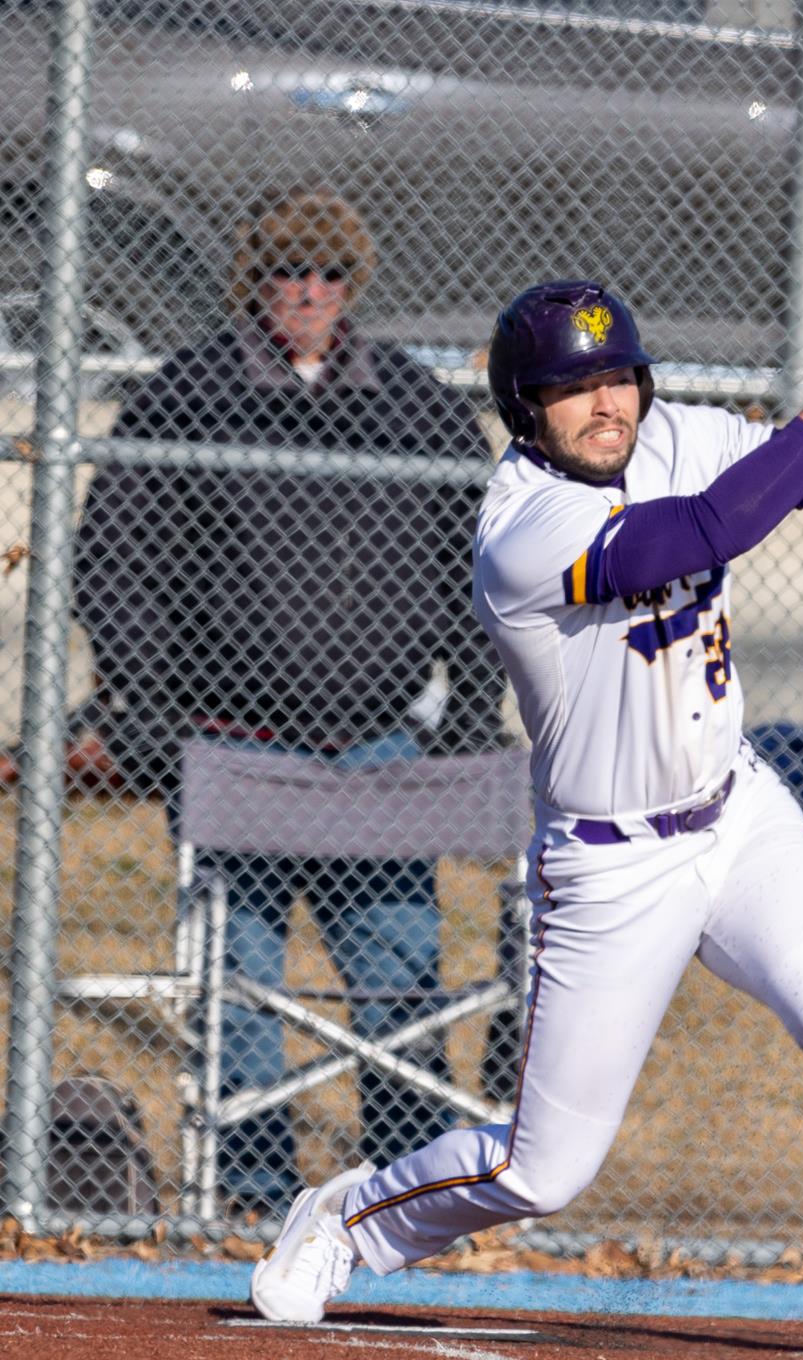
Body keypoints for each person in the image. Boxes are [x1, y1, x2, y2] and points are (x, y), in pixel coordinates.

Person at [247, 279, 803, 1354]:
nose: (602, 404)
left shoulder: (670, 435)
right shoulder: (523, 529)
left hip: (737, 817)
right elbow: (715, 526)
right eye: (568, 388)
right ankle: (343, 1220)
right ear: (525, 409)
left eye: (615, 377)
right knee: (543, 1171)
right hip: (608, 865)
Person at [74, 187, 507, 1214]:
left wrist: (474, 699)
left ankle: (408, 1194)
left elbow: (481, 563)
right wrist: (147, 694)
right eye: (283, 273)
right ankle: (256, 1191)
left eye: (326, 275)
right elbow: (114, 562)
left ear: (351, 287)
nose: (305, 294)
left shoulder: (412, 405)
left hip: (375, 750)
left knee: (400, 975)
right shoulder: (189, 395)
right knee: (236, 988)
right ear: (252, 284)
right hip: (231, 749)